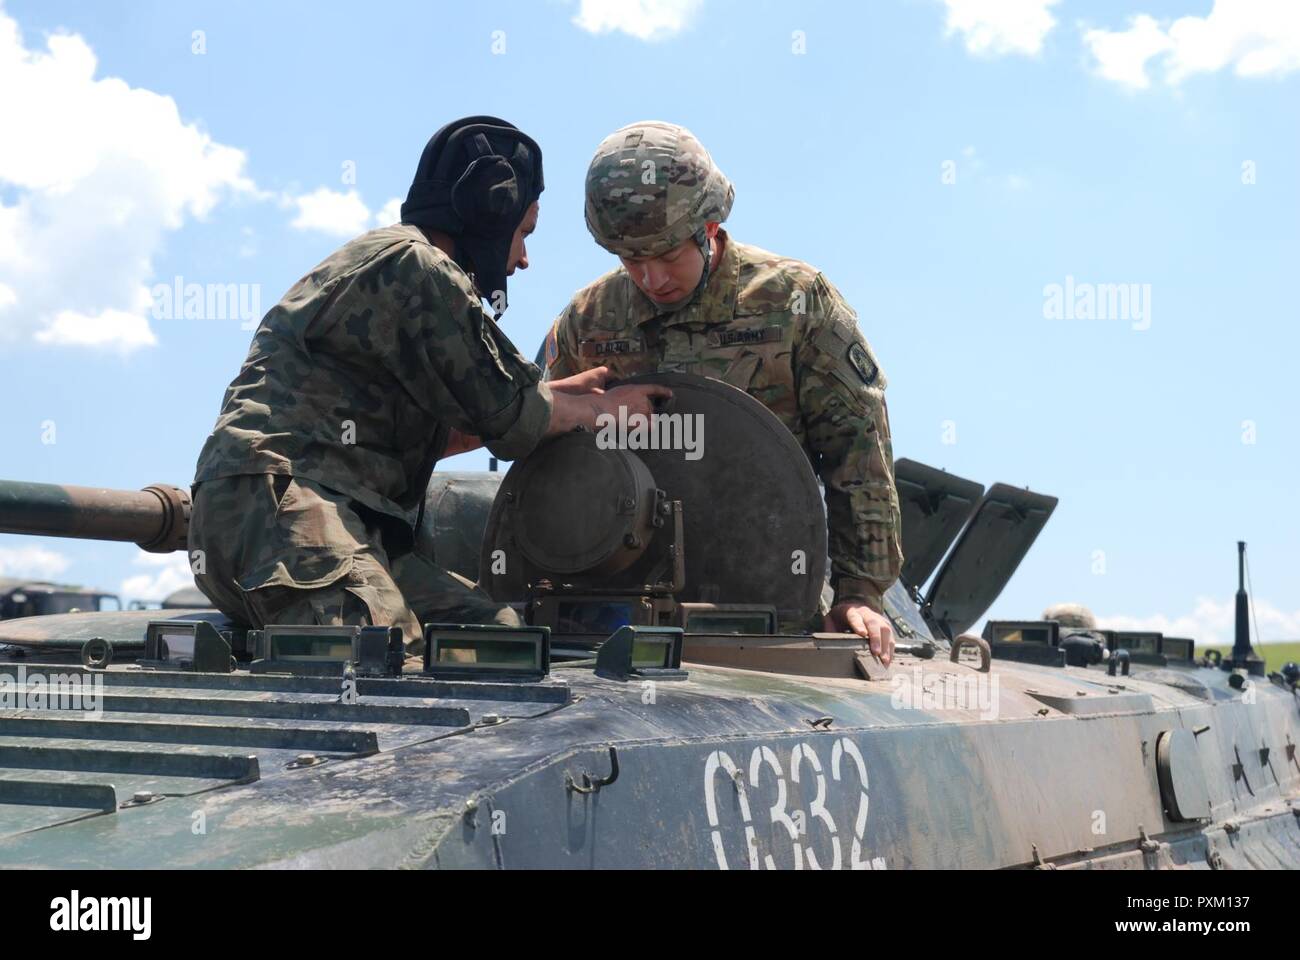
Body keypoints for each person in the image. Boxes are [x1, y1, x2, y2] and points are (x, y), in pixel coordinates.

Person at [189, 116, 668, 652]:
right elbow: (510, 418)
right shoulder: (417, 266)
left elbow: (456, 428)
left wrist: (560, 400)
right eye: (523, 233)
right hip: (288, 513)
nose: (524, 260)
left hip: (321, 519)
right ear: (491, 211)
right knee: (387, 669)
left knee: (499, 644)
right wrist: (606, 410)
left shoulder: (394, 266)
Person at [542, 121, 903, 664]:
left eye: (666, 256)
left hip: (765, 602)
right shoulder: (589, 319)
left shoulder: (796, 302)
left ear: (709, 227)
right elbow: (533, 435)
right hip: (613, 609)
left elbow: (858, 454)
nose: (650, 278)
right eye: (629, 260)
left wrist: (860, 593)